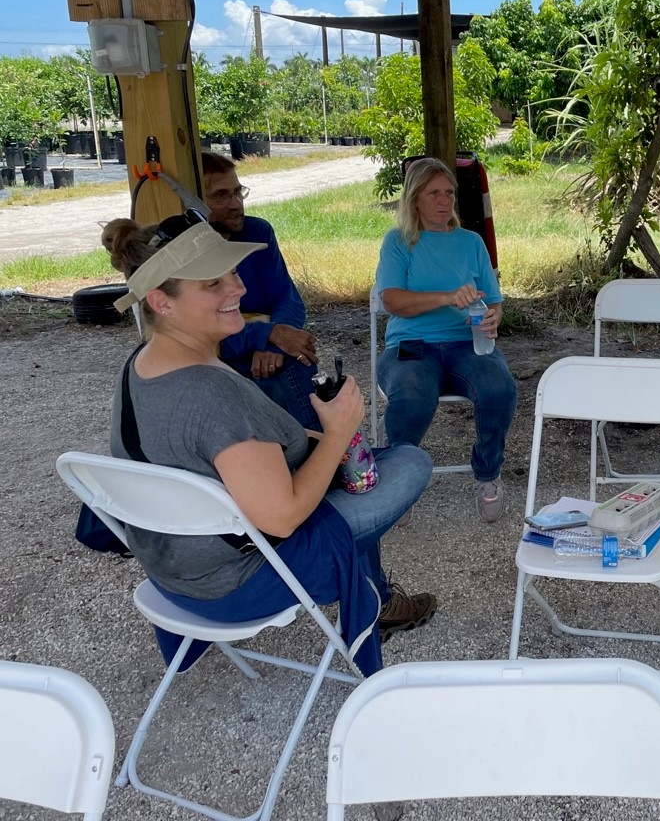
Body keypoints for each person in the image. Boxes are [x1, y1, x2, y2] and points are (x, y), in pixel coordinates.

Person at [102, 212, 437, 676]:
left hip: (170, 575)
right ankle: (375, 600)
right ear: (161, 301)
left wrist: (317, 441)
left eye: (233, 274)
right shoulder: (214, 395)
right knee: (409, 463)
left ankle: (377, 592)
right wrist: (339, 433)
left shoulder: (139, 365)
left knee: (356, 465)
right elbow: (282, 516)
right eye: (213, 284)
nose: (238, 290)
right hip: (238, 583)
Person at [375, 157, 517, 523]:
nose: (444, 200)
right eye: (433, 193)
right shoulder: (399, 241)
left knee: (498, 388)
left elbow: (495, 300)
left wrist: (492, 318)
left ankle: (488, 475)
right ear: (414, 199)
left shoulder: (470, 242)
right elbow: (391, 300)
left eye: (449, 192)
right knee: (411, 392)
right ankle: (399, 480)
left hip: (465, 341)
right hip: (411, 342)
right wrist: (446, 297)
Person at [202, 151, 321, 429]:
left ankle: (321, 455)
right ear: (195, 202)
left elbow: (288, 299)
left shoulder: (258, 232)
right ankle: (322, 458)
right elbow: (205, 335)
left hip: (258, 342)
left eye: (238, 192)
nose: (235, 204)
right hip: (217, 354)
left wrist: (273, 341)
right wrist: (270, 334)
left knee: (299, 355)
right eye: (220, 196)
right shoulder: (190, 250)